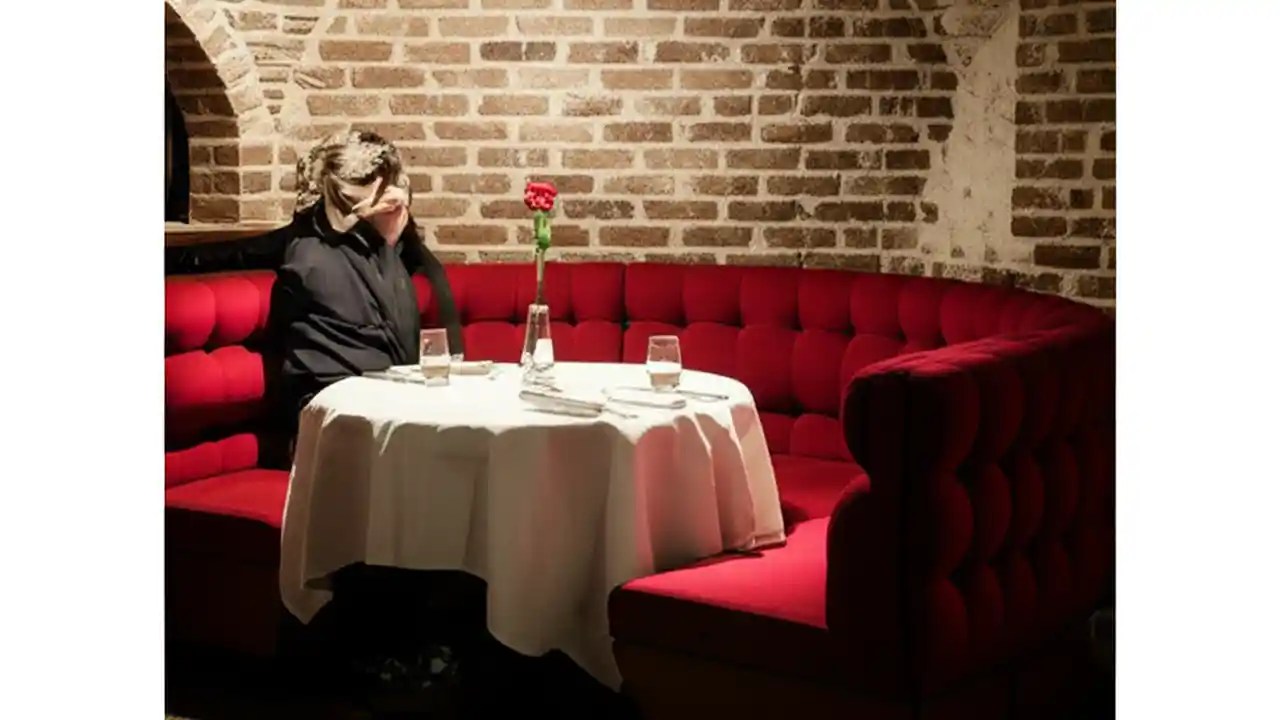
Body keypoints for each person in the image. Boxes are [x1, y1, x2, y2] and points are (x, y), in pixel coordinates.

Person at [268, 130, 462, 431]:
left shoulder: (386, 250)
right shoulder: (312, 257)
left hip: (376, 407)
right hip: (332, 421)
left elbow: (414, 351)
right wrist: (386, 245)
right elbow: (393, 347)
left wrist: (389, 242)